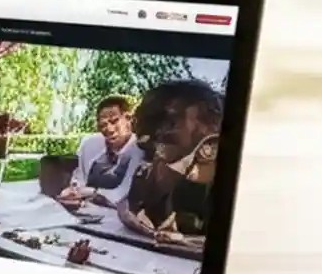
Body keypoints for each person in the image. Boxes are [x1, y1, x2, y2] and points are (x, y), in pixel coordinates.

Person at [117, 79, 224, 244]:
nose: (160, 132)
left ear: (211, 124)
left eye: (172, 122)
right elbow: (129, 209)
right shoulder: (153, 169)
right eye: (154, 124)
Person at [57, 95, 142, 209]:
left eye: (114, 121)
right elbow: (79, 178)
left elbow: (125, 194)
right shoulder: (89, 144)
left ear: (129, 119)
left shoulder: (139, 148)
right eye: (103, 125)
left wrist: (91, 192)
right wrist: (72, 192)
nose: (109, 129)